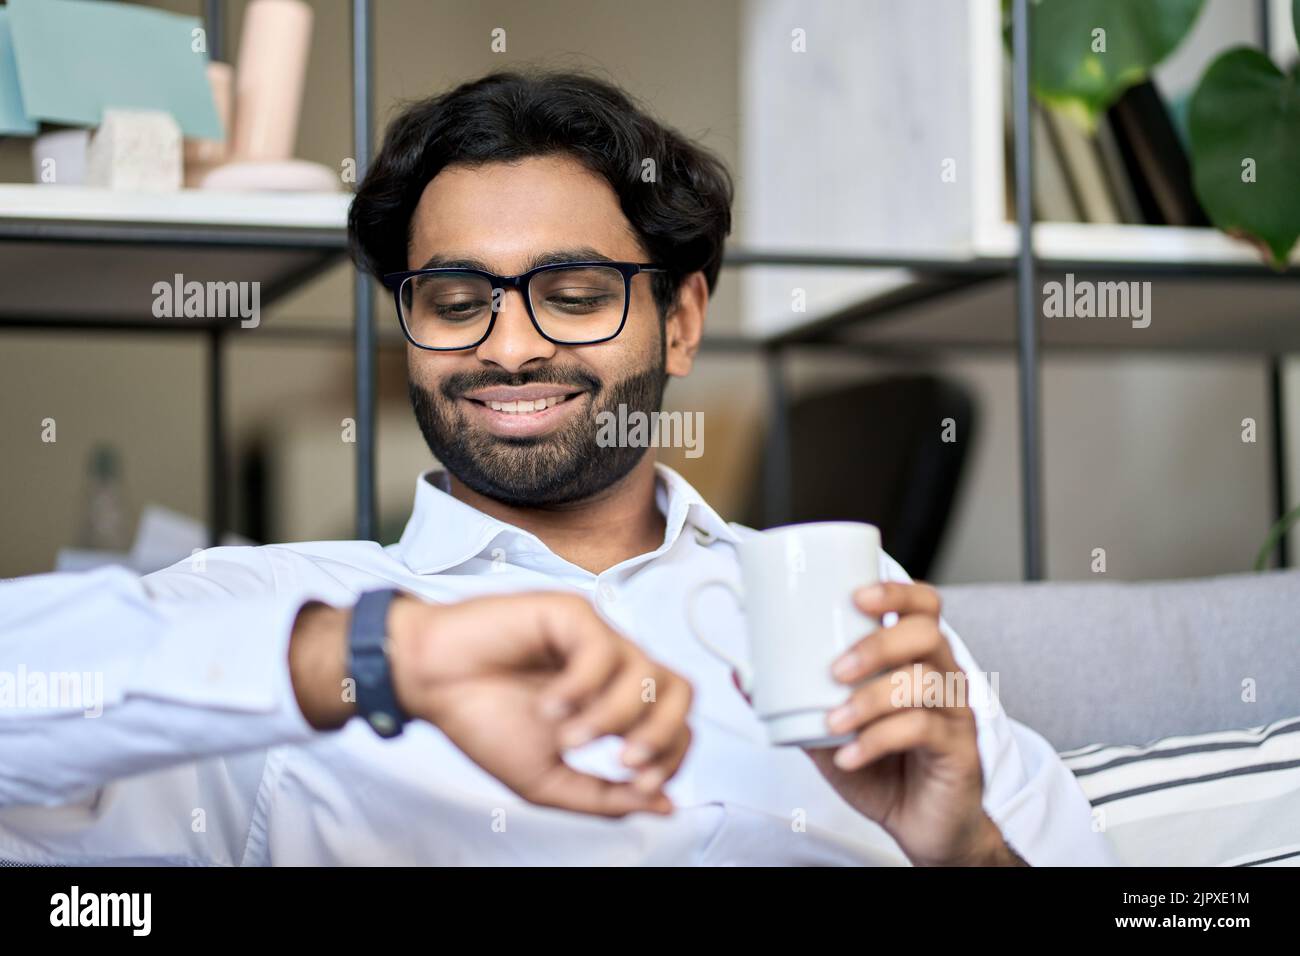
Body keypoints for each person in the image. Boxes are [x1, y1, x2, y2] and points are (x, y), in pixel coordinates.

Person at [0, 69, 1116, 866]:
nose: (510, 343)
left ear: (681, 319)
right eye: (454, 299)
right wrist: (384, 651)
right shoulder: (279, 616)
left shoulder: (854, 620)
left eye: (574, 293)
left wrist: (965, 851)